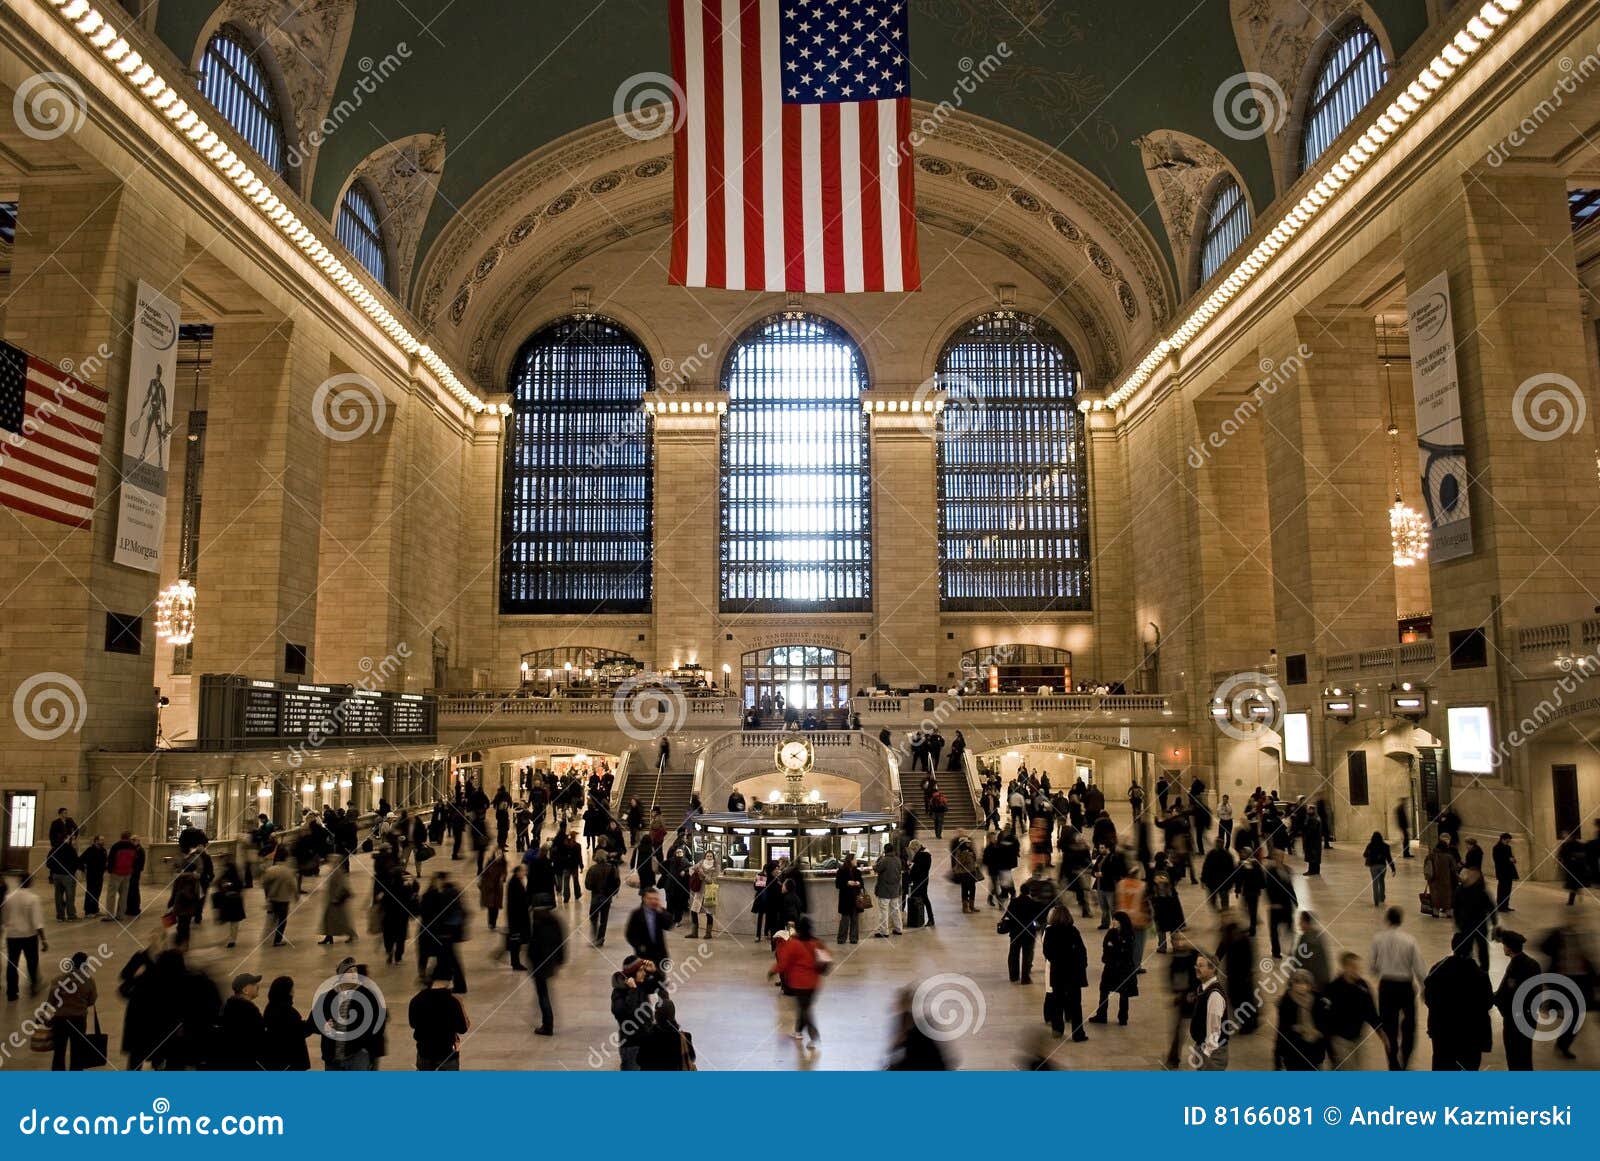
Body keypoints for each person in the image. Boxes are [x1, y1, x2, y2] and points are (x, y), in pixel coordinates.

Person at [1423, 932, 1494, 1071]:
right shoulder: (1480, 975)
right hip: (1470, 1035)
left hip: (1443, 1033)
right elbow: (1488, 1003)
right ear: (1471, 950)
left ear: (1453, 947)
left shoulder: (1438, 970)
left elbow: (1428, 999)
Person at [1370, 906, 1427, 1070]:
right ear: (1401, 920)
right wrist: (1423, 987)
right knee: (1409, 1026)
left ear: (1387, 920)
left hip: (1386, 986)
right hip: (1405, 986)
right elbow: (1419, 967)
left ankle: (1392, 1062)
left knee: (1389, 1027)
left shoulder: (1377, 939)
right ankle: (1406, 1059)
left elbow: (1372, 967)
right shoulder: (1410, 940)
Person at [313, 958, 386, 1071]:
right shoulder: (327, 997)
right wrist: (323, 1026)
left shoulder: (369, 996)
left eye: (355, 970)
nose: (354, 974)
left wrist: (367, 1048)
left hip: (357, 1056)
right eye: (349, 971)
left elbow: (379, 1022)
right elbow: (312, 1022)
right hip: (333, 1057)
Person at [770, 916, 826, 1055]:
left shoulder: (793, 944)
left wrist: (772, 971)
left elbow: (783, 962)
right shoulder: (817, 943)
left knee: (805, 1010)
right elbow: (827, 958)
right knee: (804, 1007)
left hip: (800, 984)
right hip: (814, 983)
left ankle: (814, 1036)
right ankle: (798, 1032)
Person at [1494, 929, 1540, 1071]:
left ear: (1508, 947)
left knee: (1514, 1058)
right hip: (1530, 1018)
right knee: (1525, 1056)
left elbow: (1503, 995)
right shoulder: (1533, 963)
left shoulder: (1515, 966)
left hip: (1515, 1021)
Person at [408, 967, 470, 1070]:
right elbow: (463, 1028)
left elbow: (412, 1024)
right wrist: (461, 1005)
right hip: (447, 1054)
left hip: (424, 1053)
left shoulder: (416, 1000)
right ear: (449, 980)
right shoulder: (453, 1001)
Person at [44, 951, 98, 1071]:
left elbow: (51, 1002)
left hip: (60, 1021)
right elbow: (92, 1001)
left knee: (59, 1053)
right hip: (78, 1021)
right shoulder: (89, 981)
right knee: (77, 1054)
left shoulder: (57, 980)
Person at [416, 873, 468, 995]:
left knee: (447, 959)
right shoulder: (448, 893)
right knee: (447, 959)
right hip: (445, 934)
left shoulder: (446, 894)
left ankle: (433, 981)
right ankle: (446, 983)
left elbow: (431, 914)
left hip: (443, 934)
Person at [1042, 907, 1088, 1040]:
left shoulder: (1049, 932)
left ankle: (1057, 1030)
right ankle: (1078, 1033)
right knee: (1075, 1004)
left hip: (1057, 972)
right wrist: (1082, 965)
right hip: (1073, 973)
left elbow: (1047, 953)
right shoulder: (1073, 931)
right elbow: (1082, 951)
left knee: (1057, 1002)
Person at [1273, 969, 1330, 1070]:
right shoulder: (1286, 1004)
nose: (1301, 986)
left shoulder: (1318, 1001)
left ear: (1310, 985)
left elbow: (1324, 1026)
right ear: (1291, 984)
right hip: (1293, 1053)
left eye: (1305, 982)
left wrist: (1320, 1036)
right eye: (1297, 982)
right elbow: (1281, 1031)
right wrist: (1277, 1058)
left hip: (1314, 1052)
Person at [1089, 910, 1139, 1026]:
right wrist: (1115, 948)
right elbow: (1106, 946)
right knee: (1104, 990)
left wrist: (1114, 947)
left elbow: (1124, 951)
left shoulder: (1129, 935)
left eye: (1115, 919)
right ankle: (1101, 1015)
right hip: (1111, 967)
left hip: (1123, 968)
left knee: (1123, 993)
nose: (1113, 922)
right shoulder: (1111, 933)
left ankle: (1123, 1017)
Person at [3, 873, 46, 1000]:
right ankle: (33, 986)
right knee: (32, 962)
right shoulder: (33, 899)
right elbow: (37, 921)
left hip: (12, 935)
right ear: (30, 882)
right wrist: (43, 940)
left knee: (12, 963)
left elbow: (5, 918)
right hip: (29, 936)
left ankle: (11, 993)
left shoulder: (9, 897)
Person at [525, 901, 565, 1036]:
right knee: (544, 993)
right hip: (550, 963)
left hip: (540, 964)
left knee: (543, 995)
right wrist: (560, 960)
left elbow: (533, 947)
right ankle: (547, 1022)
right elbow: (561, 943)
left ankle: (548, 1025)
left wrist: (530, 961)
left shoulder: (538, 924)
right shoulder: (555, 922)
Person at [260, 976, 314, 1070]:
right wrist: (314, 1019)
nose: (294, 990)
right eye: (292, 988)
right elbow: (300, 1032)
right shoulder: (287, 1011)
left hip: (278, 1060)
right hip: (291, 1062)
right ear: (288, 991)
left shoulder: (270, 1007)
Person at [214, 973, 266, 1070]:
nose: (257, 986)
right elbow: (261, 1035)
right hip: (248, 1062)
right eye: (254, 984)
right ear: (245, 990)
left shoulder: (227, 1006)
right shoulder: (249, 1010)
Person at [1190, 954, 1229, 1070]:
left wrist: (1206, 1055)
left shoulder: (1214, 995)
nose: (1197, 968)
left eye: (1201, 966)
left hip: (1212, 1053)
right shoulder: (1204, 989)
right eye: (1196, 965)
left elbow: (1214, 1028)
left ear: (1212, 969)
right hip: (1203, 1048)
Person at [1453, 867, 1494, 971]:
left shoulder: (1478, 891)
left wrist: (1458, 923)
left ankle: (1482, 969)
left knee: (1480, 948)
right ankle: (1478, 969)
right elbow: (1456, 908)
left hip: (1472, 925)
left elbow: (1490, 907)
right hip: (1472, 925)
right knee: (1474, 948)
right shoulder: (1463, 891)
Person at [1263, 849, 1296, 958]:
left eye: (1281, 855)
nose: (1279, 857)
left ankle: (1290, 948)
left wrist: (1294, 899)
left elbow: (1290, 886)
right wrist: (1272, 903)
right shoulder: (1270, 871)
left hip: (1286, 904)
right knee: (1274, 930)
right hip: (1275, 905)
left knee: (1290, 928)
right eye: (1276, 855)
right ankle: (1276, 951)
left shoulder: (1287, 869)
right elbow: (1268, 889)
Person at [625, 888, 671, 966]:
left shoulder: (660, 912)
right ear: (644, 899)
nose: (653, 901)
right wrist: (639, 947)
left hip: (660, 955)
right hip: (643, 955)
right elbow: (629, 934)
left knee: (660, 977)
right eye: (650, 899)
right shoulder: (636, 914)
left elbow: (668, 926)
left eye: (655, 899)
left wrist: (661, 912)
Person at [584, 851, 620, 948]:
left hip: (595, 896)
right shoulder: (612, 868)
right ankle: (600, 938)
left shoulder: (592, 869)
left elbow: (587, 885)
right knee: (604, 919)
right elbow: (617, 882)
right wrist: (613, 893)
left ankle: (594, 937)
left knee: (593, 917)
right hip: (607, 897)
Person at [261, 855, 297, 947]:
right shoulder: (288, 872)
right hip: (283, 899)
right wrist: (296, 896)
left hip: (272, 899)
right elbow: (293, 886)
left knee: (271, 919)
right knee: (282, 921)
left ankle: (266, 938)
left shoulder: (270, 870)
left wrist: (267, 895)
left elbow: (264, 883)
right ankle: (277, 940)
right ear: (285, 860)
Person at [688, 849, 720, 939]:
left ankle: (708, 933)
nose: (709, 858)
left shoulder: (716, 867)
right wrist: (696, 871)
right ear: (705, 856)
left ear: (713, 857)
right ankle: (694, 933)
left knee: (709, 913)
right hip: (699, 892)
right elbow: (691, 869)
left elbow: (713, 880)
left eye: (710, 856)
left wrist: (703, 874)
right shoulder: (701, 862)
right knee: (694, 911)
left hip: (709, 892)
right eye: (707, 856)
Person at [1424, 839, 1459, 917]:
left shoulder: (1430, 856)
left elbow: (1426, 868)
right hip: (1446, 880)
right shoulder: (1448, 857)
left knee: (1435, 895)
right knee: (1446, 896)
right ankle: (1448, 912)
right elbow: (1454, 869)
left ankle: (1435, 912)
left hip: (1433, 880)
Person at [835, 852, 864, 944]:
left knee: (855, 919)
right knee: (845, 920)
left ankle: (854, 938)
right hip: (846, 899)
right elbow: (838, 884)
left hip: (856, 898)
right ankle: (841, 938)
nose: (856, 861)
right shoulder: (841, 871)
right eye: (855, 859)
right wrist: (847, 883)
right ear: (850, 860)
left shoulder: (857, 872)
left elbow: (862, 883)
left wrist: (858, 884)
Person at [872, 846, 902, 937]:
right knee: (895, 910)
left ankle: (884, 931)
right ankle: (898, 928)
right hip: (895, 889)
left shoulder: (885, 860)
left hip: (884, 890)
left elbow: (876, 868)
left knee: (883, 911)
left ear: (885, 850)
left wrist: (879, 859)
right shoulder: (898, 860)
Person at [1361, 830, 1395, 907]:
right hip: (1382, 866)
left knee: (1375, 882)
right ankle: (1382, 898)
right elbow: (1389, 858)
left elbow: (1365, 855)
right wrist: (1393, 869)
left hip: (1373, 866)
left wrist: (1371, 855)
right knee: (1381, 881)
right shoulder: (1385, 846)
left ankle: (1376, 900)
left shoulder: (1370, 845)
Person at [1491, 832, 1518, 918]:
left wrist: (1513, 859)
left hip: (1509, 871)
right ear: (1503, 839)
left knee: (1508, 889)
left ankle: (1506, 905)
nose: (1508, 842)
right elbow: (1497, 860)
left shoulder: (1508, 847)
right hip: (1502, 871)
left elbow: (1511, 857)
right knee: (1502, 889)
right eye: (1507, 840)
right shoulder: (1496, 848)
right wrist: (1508, 859)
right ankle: (1500, 906)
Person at [951, 833, 981, 913]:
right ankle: (965, 907)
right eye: (967, 843)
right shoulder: (959, 851)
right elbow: (960, 862)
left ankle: (972, 906)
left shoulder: (970, 850)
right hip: (964, 873)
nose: (969, 844)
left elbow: (974, 859)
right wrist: (966, 854)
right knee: (965, 889)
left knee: (972, 888)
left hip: (972, 871)